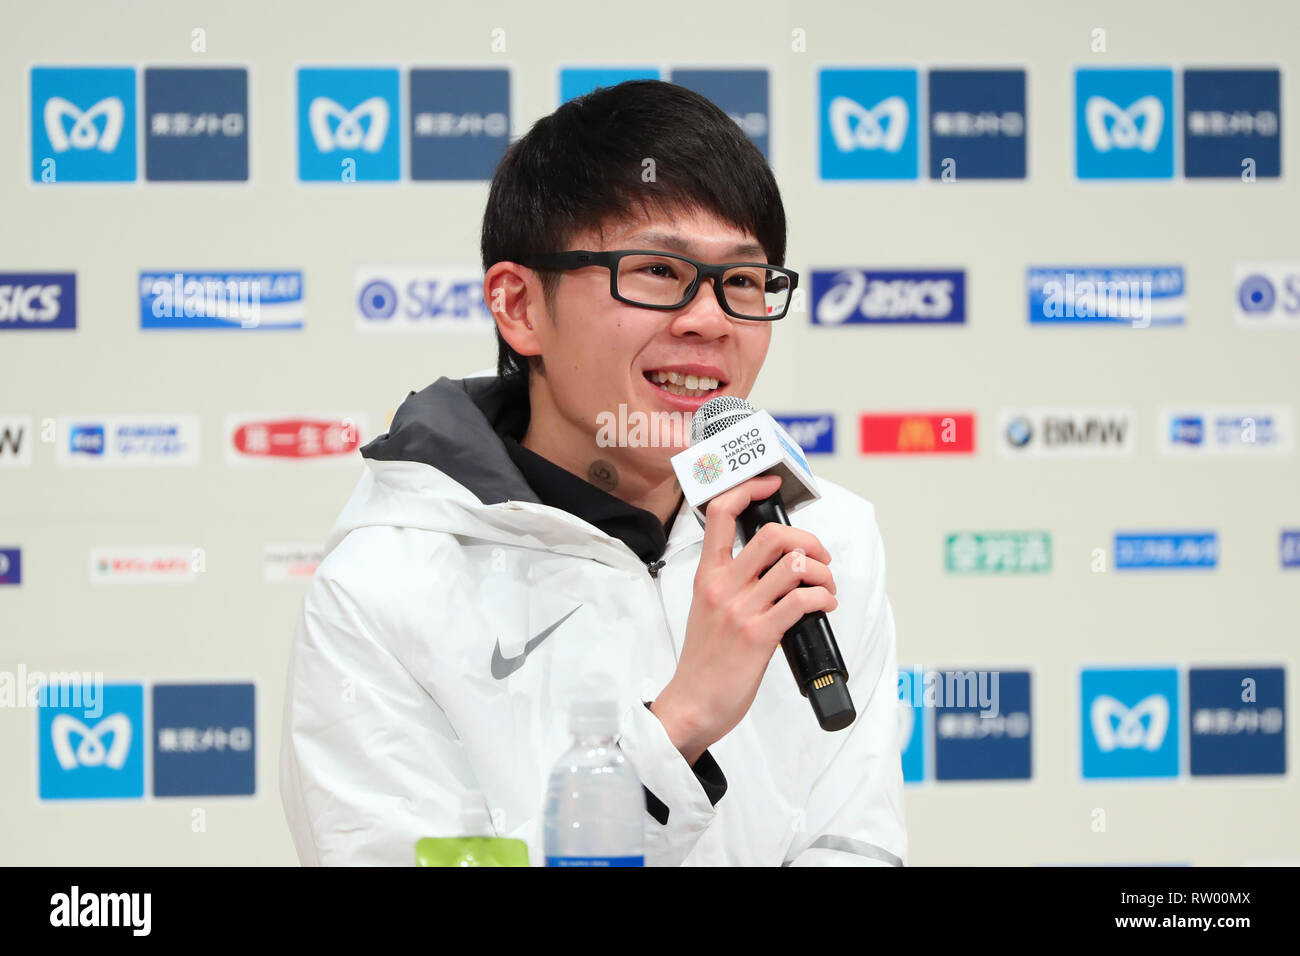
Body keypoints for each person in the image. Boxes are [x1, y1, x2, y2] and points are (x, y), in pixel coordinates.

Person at [279, 79, 906, 866]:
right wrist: (676, 729)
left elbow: (853, 842)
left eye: (742, 280)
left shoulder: (820, 541)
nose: (709, 318)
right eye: (655, 272)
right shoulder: (383, 589)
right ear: (519, 307)